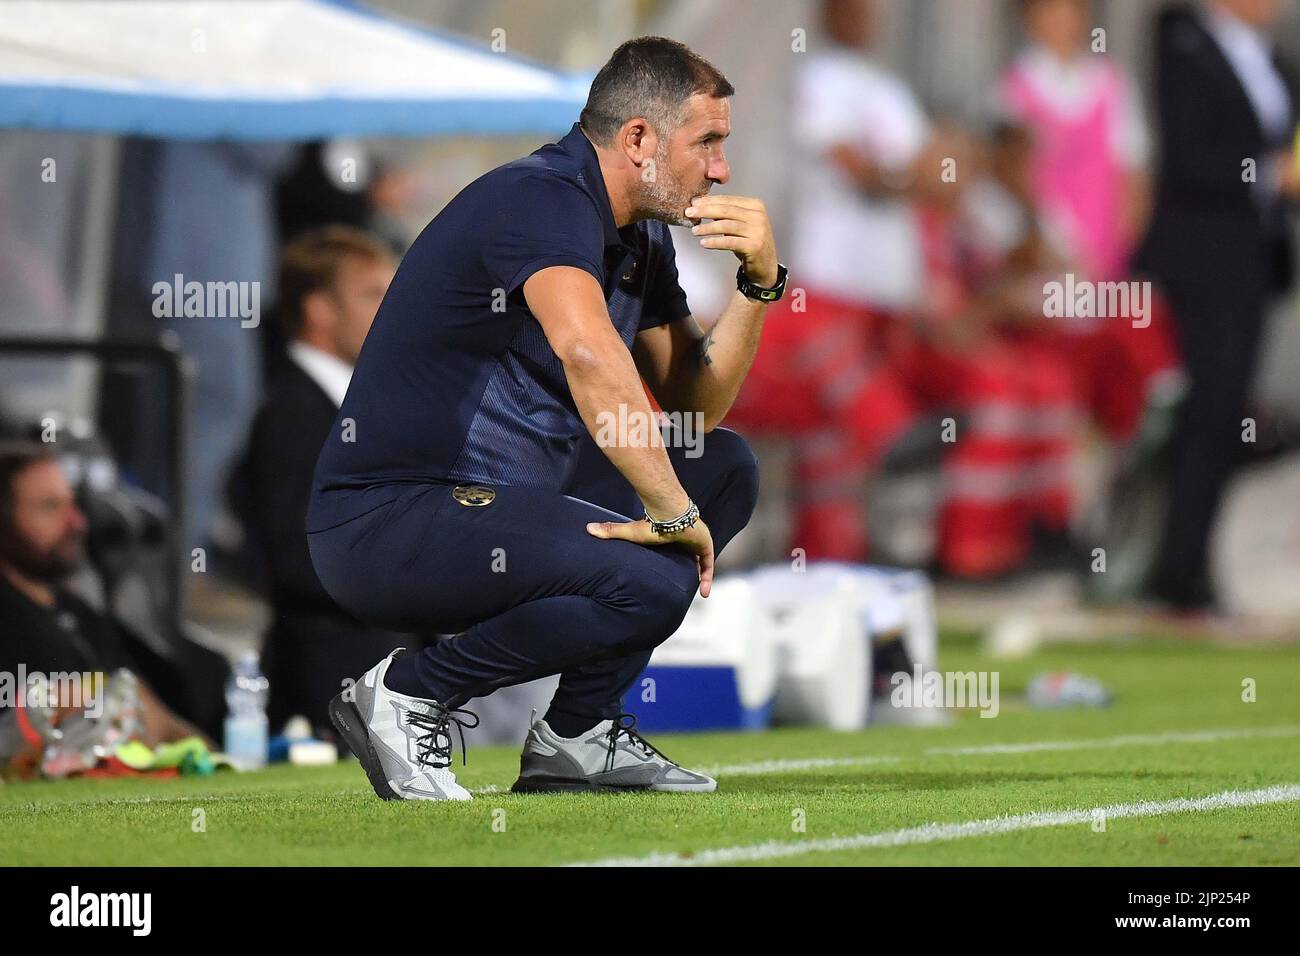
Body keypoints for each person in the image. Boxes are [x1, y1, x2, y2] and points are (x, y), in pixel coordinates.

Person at [306, 37, 773, 800]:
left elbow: (693, 403)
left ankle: (578, 737)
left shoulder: (638, 234)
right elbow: (588, 350)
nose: (720, 168)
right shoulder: (540, 197)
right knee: (653, 581)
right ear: (638, 140)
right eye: (708, 142)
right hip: (389, 520)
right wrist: (667, 510)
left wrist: (759, 284)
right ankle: (409, 693)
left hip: (502, 503)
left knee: (722, 467)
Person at [1137, 0, 1298, 610]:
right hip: (1202, 259)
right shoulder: (1183, 40)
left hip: (1256, 260)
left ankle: (1192, 561)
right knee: (1204, 408)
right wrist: (1267, 174)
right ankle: (1174, 571)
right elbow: (1189, 157)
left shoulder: (1275, 61)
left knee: (1227, 410)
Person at [236, 226, 415, 736]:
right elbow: (299, 555)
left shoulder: (353, 406)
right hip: (331, 677)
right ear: (319, 310)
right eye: (372, 294)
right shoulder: (292, 414)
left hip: (378, 661)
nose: (392, 309)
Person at [0, 443, 206, 747]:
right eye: (49, 507)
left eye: (72, 505)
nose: (76, 523)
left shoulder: (80, 614)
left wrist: (210, 756)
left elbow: (149, 710)